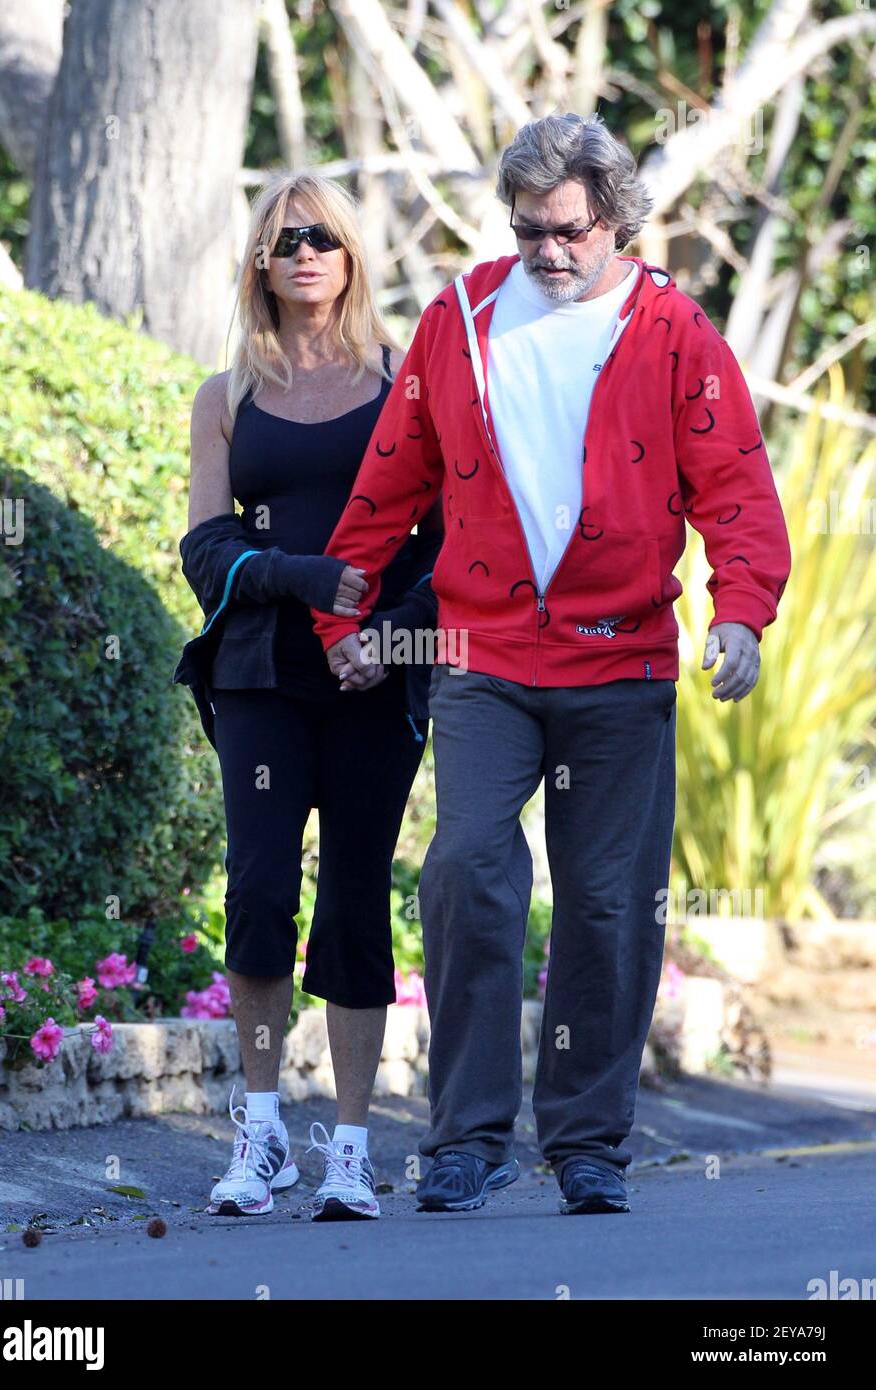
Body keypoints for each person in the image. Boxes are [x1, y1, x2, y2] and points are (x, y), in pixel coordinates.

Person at [310, 112, 791, 1216]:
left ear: (614, 218)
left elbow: (733, 485)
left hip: (620, 665)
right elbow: (390, 477)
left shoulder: (673, 330)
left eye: (567, 230)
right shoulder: (461, 320)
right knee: (468, 871)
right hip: (481, 653)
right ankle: (467, 1137)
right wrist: (345, 615)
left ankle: (586, 1144)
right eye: (527, 231)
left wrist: (740, 615)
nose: (547, 251)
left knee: (608, 904)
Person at [173, 170, 442, 1221]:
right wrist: (297, 577)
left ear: (351, 253)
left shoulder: (401, 377)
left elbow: (445, 538)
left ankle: (351, 1146)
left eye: (321, 236)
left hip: (375, 676)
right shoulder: (227, 393)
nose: (303, 254)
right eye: (283, 239)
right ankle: (259, 1134)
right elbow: (205, 545)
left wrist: (385, 634)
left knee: (354, 898)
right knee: (257, 891)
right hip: (261, 673)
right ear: (259, 260)